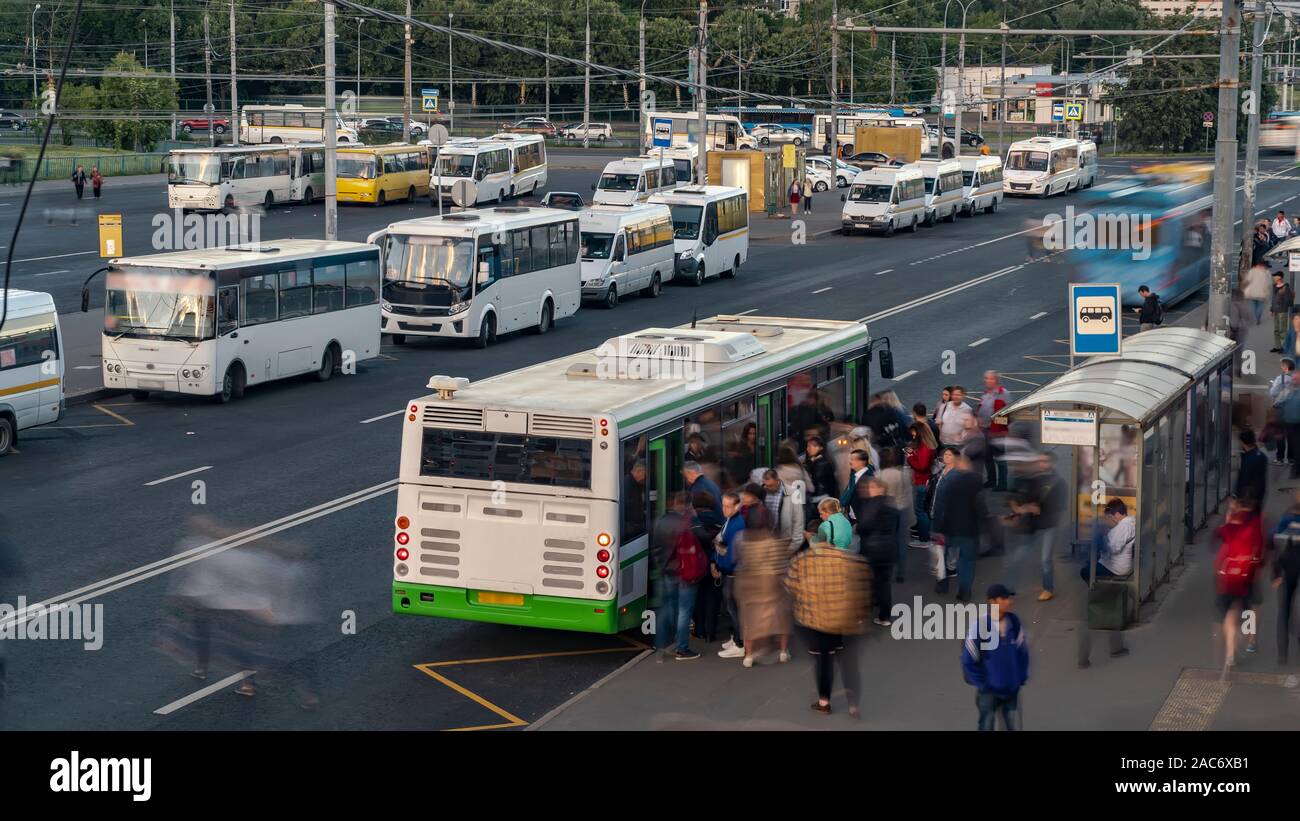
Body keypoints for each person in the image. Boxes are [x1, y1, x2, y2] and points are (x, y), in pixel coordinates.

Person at [785, 537, 871, 717]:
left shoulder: (803, 560)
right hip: (847, 620)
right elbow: (864, 587)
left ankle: (824, 701)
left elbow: (790, 587)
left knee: (824, 662)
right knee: (849, 663)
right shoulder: (851, 559)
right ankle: (853, 705)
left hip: (820, 621)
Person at [961, 583, 1029, 731]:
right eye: (1003, 598)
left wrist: (1020, 677)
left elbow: (1022, 652)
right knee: (986, 725)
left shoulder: (1014, 622)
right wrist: (984, 684)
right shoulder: (980, 626)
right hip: (989, 693)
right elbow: (968, 660)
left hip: (1011, 689)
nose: (1008, 601)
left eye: (1008, 598)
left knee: (1015, 726)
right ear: (991, 602)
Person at [1003, 451, 1067, 601]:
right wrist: (1021, 507)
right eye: (1040, 461)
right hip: (1032, 525)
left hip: (1048, 525)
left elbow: (1061, 506)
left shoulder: (1058, 482)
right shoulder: (1033, 479)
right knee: (1018, 557)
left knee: (1045, 559)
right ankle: (1009, 588)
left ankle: (1048, 588)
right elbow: (1020, 497)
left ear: (1052, 463)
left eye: (1045, 461)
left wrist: (1039, 509)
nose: (1042, 464)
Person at [650, 492, 704, 661]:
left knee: (665, 609)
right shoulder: (687, 523)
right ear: (687, 505)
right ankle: (682, 648)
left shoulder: (660, 521)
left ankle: (660, 647)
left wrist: (662, 565)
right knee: (684, 611)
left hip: (666, 572)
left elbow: (655, 548)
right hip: (685, 574)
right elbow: (703, 538)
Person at [734, 517, 794, 667]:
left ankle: (748, 655)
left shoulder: (741, 539)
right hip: (771, 583)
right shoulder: (773, 541)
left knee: (749, 620)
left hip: (749, 583)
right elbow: (782, 563)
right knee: (781, 617)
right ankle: (783, 651)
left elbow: (735, 559)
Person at [1215, 497, 1264, 667]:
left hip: (1236, 575)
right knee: (1248, 607)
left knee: (1240, 610)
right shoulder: (1250, 523)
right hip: (1243, 575)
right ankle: (1247, 639)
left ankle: (1243, 641)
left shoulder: (1239, 526)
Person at [932, 449, 984, 602]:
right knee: (966, 561)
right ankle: (964, 591)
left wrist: (939, 528)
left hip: (950, 528)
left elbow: (943, 506)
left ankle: (942, 585)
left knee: (944, 557)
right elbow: (980, 504)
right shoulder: (977, 479)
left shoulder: (950, 481)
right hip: (969, 529)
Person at [856, 477, 900, 625]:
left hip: (872, 549)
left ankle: (862, 615)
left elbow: (864, 526)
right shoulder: (892, 504)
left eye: (871, 487)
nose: (869, 490)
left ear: (879, 488)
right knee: (885, 583)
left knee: (866, 581)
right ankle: (885, 616)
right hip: (889, 548)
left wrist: (857, 528)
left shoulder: (872, 504)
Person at [714, 491, 747, 659]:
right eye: (723, 505)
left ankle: (739, 644)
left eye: (728, 506)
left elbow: (732, 553)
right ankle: (735, 638)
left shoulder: (737, 524)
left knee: (732, 609)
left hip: (733, 573)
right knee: (730, 607)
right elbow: (720, 542)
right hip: (729, 571)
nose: (724, 509)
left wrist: (719, 564)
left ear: (737, 506)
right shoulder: (730, 520)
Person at [690, 492, 725, 643]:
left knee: (699, 598)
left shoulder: (696, 521)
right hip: (716, 564)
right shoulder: (721, 519)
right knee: (713, 599)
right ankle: (711, 633)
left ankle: (699, 631)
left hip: (698, 564)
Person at [1270, 490, 1300, 664]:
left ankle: (1283, 652)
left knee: (1285, 609)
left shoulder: (1287, 518)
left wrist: (1275, 573)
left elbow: (1273, 539)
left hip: (1288, 566)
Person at [877, 447, 914, 582]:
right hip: (902, 507)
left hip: (887, 510)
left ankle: (887, 570)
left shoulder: (878, 475)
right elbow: (907, 493)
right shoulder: (902, 473)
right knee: (901, 542)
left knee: (888, 541)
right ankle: (901, 573)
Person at [1082, 498, 1135, 583]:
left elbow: (1114, 549)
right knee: (1091, 560)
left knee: (1084, 572)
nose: (1112, 520)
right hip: (1124, 563)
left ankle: (1097, 590)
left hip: (1116, 568)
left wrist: (1104, 539)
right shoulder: (1131, 522)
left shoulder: (1122, 527)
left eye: (1111, 516)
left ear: (1117, 514)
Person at [906, 422, 938, 548]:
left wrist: (910, 458)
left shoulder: (924, 447)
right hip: (923, 481)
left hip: (921, 482)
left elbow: (922, 466)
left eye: (914, 433)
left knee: (920, 511)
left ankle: (924, 539)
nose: (913, 436)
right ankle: (924, 536)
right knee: (922, 510)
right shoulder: (927, 445)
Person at [977, 370, 1010, 490]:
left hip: (998, 432)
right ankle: (991, 481)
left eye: (991, 379)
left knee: (1000, 458)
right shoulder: (985, 394)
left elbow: (1008, 413)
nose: (988, 381)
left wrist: (1000, 429)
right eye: (986, 378)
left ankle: (1002, 484)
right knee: (987, 457)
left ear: (996, 380)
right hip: (985, 431)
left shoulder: (1003, 393)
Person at [761, 468, 806, 556]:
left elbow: (798, 521)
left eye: (771, 485)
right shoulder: (762, 492)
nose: (768, 488)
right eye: (766, 485)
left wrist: (791, 548)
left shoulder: (794, 493)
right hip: (766, 543)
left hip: (784, 544)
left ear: (777, 480)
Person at [1269, 359, 1296, 465]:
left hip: (1281, 410)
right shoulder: (1295, 378)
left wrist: (1272, 386)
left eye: (1282, 365)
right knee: (1291, 436)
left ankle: (1280, 458)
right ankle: (1291, 458)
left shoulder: (1280, 378)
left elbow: (1273, 392)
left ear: (1286, 367)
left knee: (1280, 435)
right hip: (1292, 410)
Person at [804, 435, 839, 514]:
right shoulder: (813, 462)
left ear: (821, 447)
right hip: (819, 497)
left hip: (820, 498)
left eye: (813, 446)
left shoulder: (821, 463)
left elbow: (815, 480)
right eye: (808, 446)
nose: (809, 449)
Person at [840, 449, 873, 525]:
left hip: (863, 520)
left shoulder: (868, 478)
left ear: (862, 461)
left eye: (853, 459)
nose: (850, 462)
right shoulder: (854, 476)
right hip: (853, 519)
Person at [1235, 430, 1268, 508]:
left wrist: (1238, 496)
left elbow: (1244, 479)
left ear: (1243, 442)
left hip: (1248, 496)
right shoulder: (1261, 455)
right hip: (1259, 493)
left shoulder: (1248, 459)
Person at [1271, 271, 1294, 353]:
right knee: (1276, 330)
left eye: (1275, 276)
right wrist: (1272, 309)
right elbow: (1273, 299)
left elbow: (1290, 301)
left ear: (1279, 277)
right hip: (1276, 311)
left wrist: (1282, 303)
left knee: (1282, 330)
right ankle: (1278, 347)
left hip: (1282, 311)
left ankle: (1285, 348)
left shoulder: (1285, 288)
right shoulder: (1274, 286)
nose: (1273, 277)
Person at [1244, 261, 1272, 326]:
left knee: (1254, 306)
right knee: (1260, 306)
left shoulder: (1252, 271)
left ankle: (1255, 317)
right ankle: (1258, 318)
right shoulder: (1266, 272)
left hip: (1252, 292)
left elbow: (1247, 279)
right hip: (1262, 292)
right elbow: (1269, 283)